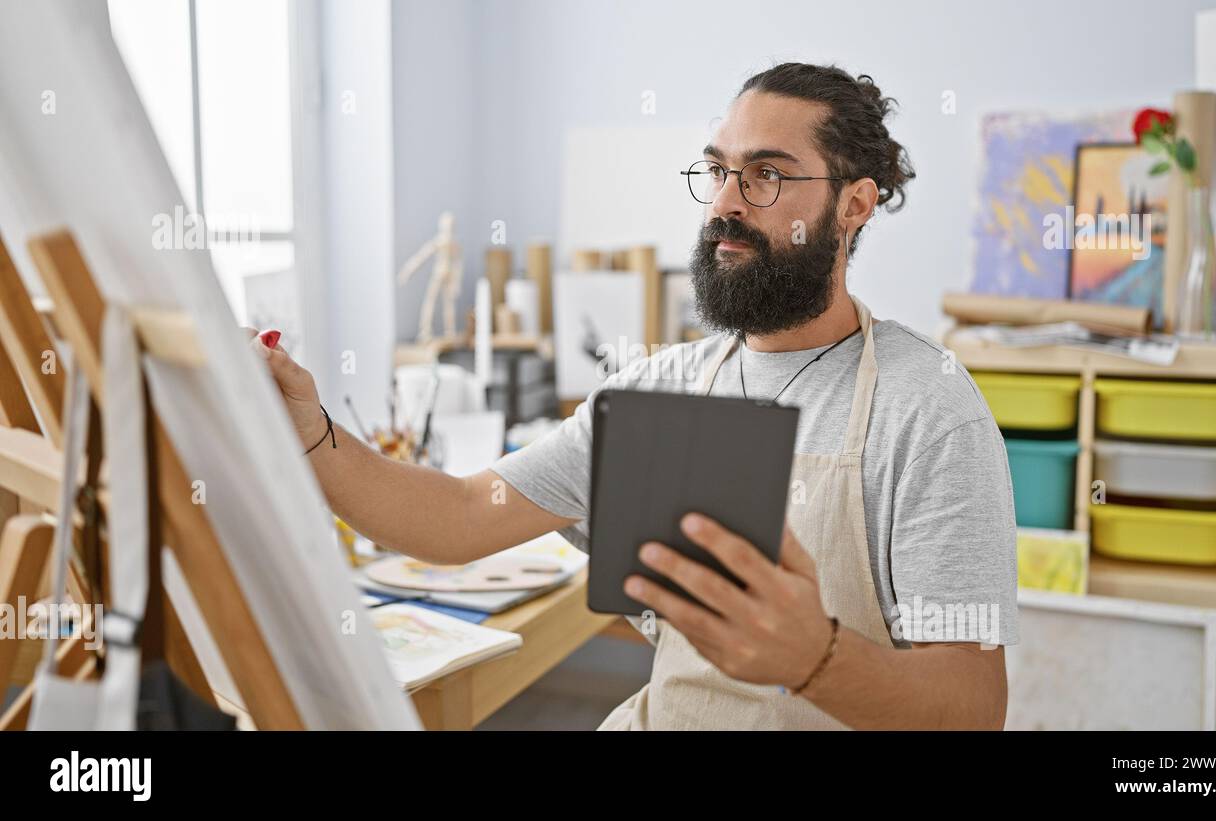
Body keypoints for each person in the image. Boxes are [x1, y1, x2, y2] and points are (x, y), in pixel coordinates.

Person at [250, 62, 1018, 730]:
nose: (725, 201)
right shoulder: (658, 390)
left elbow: (972, 708)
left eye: (767, 175)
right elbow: (455, 517)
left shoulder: (930, 411)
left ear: (853, 206)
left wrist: (812, 655)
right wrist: (311, 432)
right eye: (717, 170)